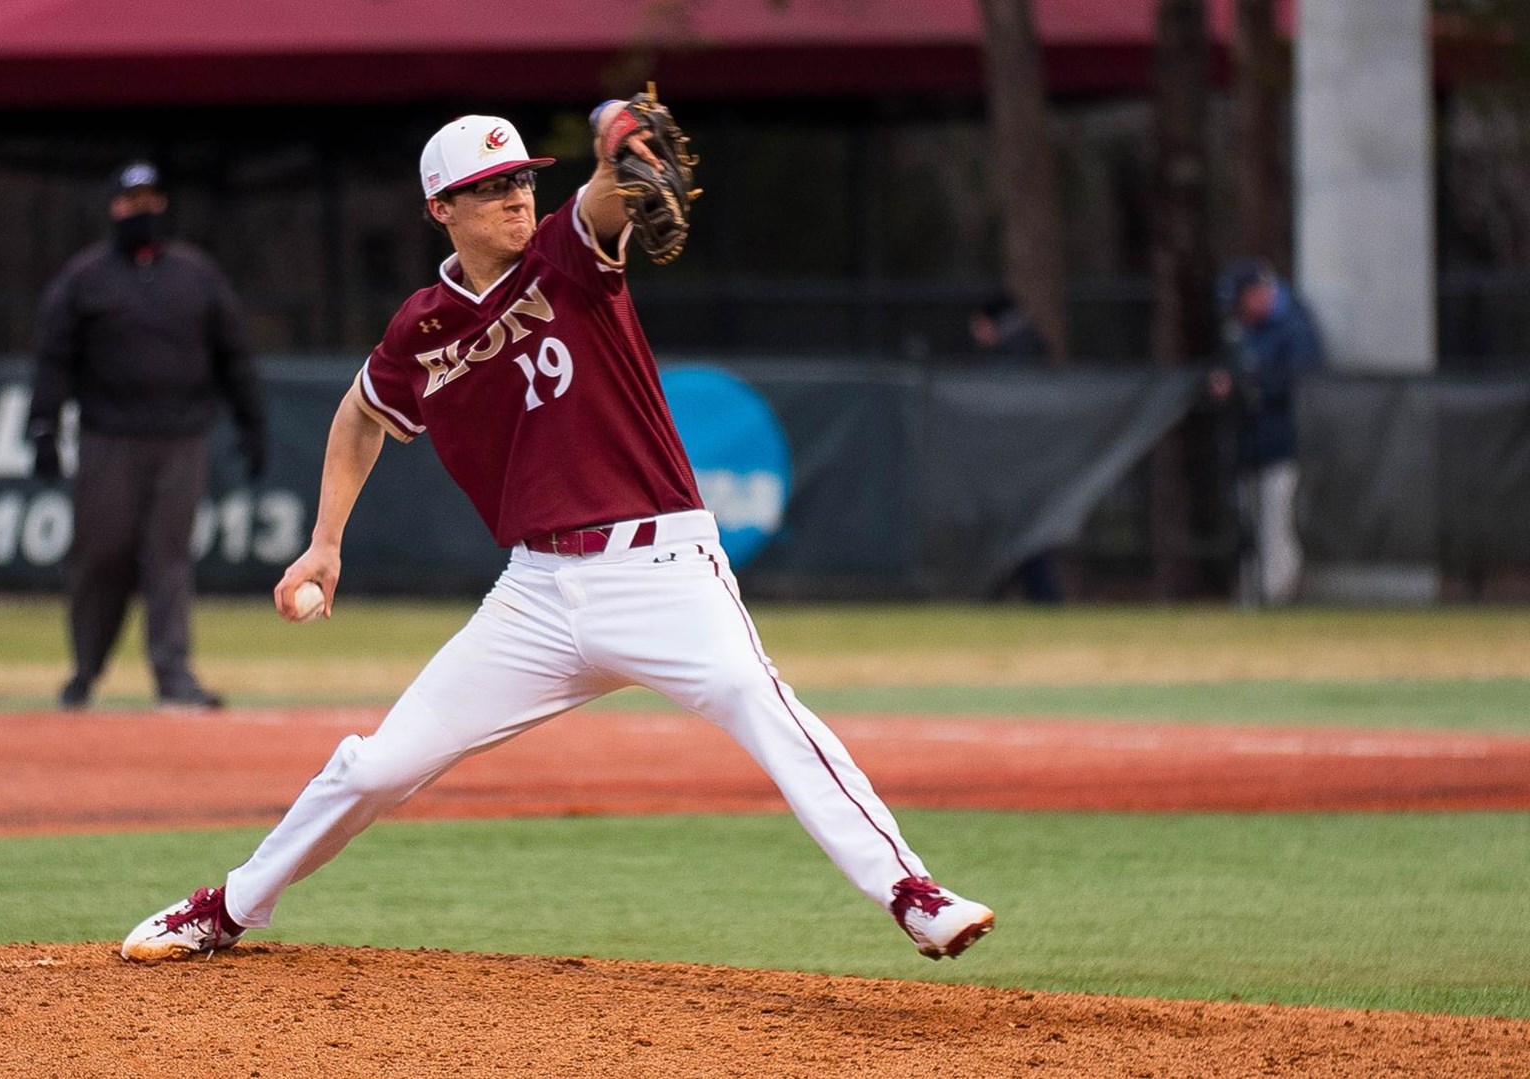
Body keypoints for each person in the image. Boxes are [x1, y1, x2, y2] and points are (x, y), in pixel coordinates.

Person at [120, 106, 995, 964]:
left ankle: (912, 893)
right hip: (535, 593)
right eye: (489, 186)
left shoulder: (565, 257)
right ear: (441, 209)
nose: (512, 197)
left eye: (519, 180)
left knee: (759, 702)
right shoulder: (422, 326)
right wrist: (325, 541)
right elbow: (360, 413)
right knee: (379, 767)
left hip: (662, 568)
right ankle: (229, 907)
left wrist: (617, 135)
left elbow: (604, 200)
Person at [27, 160, 267, 712]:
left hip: (181, 437)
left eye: (151, 200)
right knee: (101, 556)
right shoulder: (85, 279)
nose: (142, 210)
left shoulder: (196, 274)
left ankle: (173, 675)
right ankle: (85, 670)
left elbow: (233, 355)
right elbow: (53, 360)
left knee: (169, 558)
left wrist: (252, 423)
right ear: (113, 207)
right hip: (108, 437)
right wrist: (43, 425)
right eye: (131, 201)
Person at [1210, 258, 1324, 606]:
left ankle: (1275, 597)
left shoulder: (1294, 326)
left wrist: (1253, 386)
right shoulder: (1243, 330)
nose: (1238, 312)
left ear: (1258, 293)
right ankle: (1253, 593)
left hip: (1284, 443)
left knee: (1277, 521)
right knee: (1250, 521)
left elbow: (1300, 380)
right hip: (1246, 444)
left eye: (1242, 301)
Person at [969, 291, 1063, 604]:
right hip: (1025, 466)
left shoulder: (1016, 356)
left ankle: (1040, 599)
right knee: (1016, 539)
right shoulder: (1027, 348)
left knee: (1019, 539)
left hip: (1019, 468)